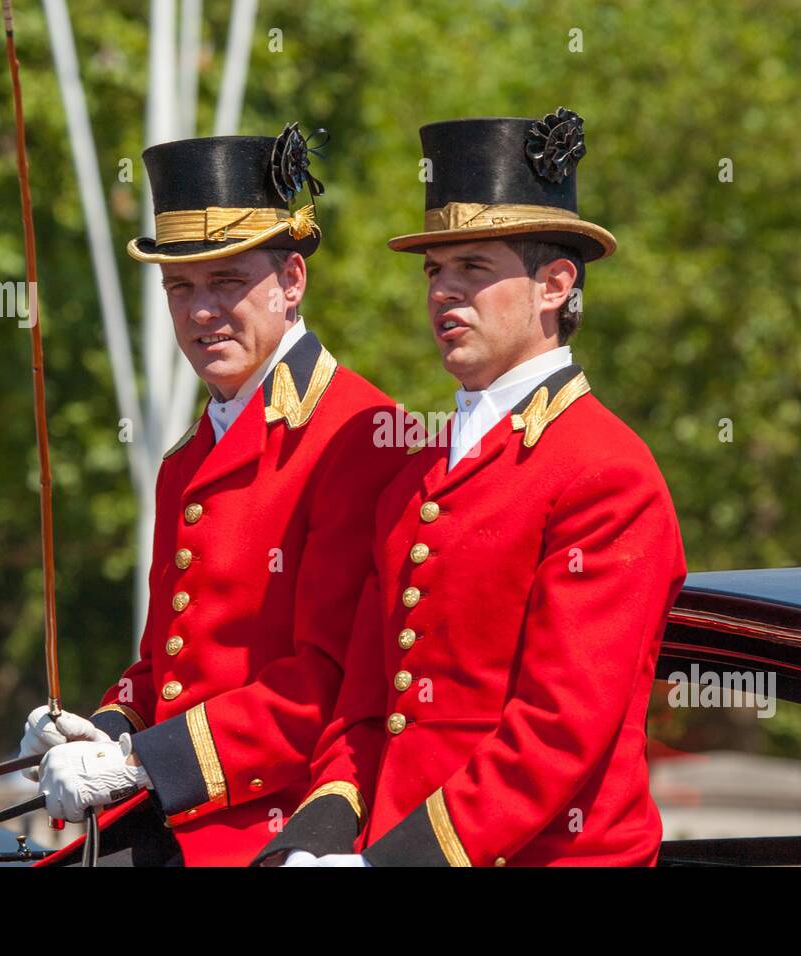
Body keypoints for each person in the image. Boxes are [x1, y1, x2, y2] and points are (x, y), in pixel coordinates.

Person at [255, 109, 687, 866]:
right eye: (434, 272)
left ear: (555, 285)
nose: (443, 294)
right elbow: (365, 711)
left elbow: (557, 732)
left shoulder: (606, 472)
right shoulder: (417, 475)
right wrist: (312, 840)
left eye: (474, 270)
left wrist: (390, 862)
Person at [22, 124, 404, 865]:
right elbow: (162, 664)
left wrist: (142, 764)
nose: (201, 311)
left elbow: (323, 686)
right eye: (181, 287)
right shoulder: (188, 457)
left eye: (228, 282)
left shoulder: (363, 435)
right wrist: (102, 729)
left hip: (282, 834)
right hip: (169, 819)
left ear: (292, 281)